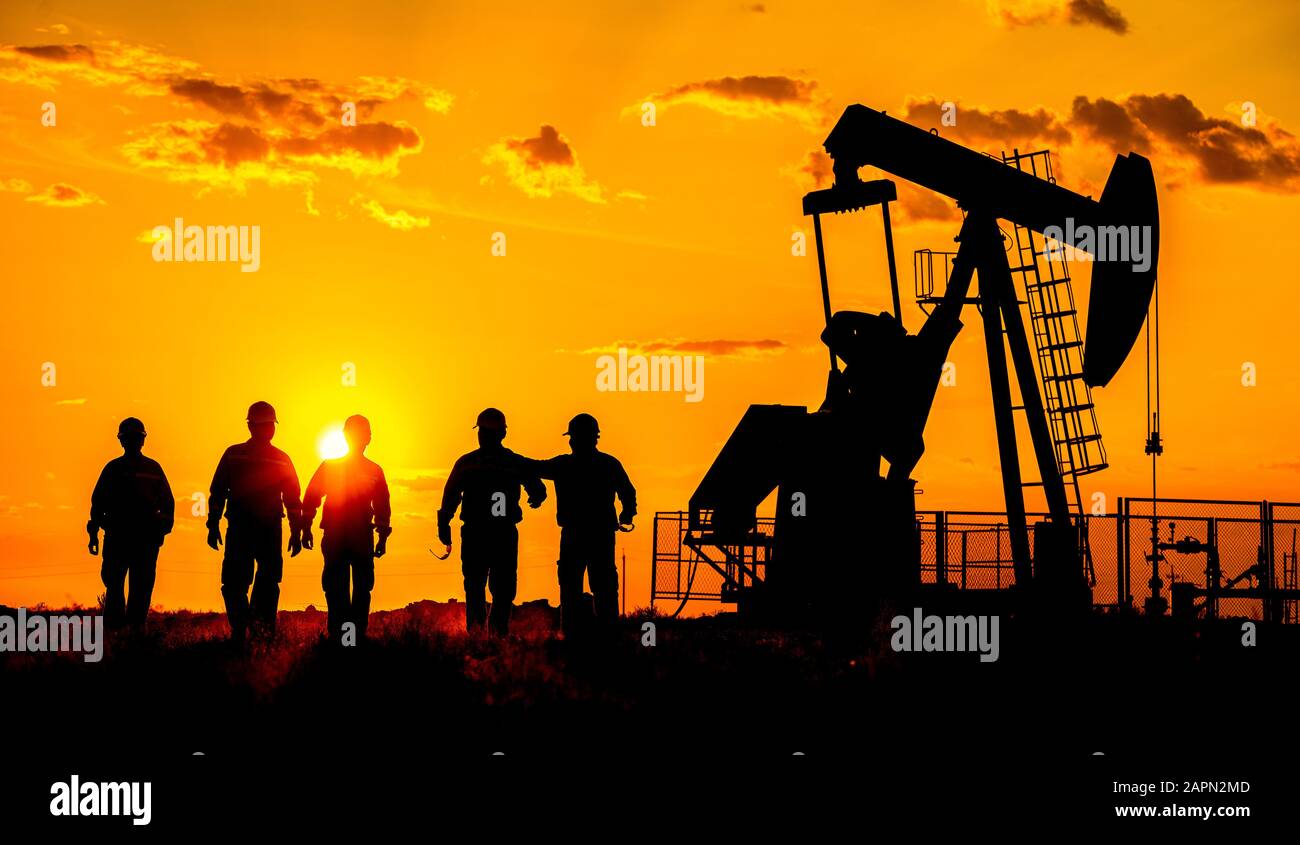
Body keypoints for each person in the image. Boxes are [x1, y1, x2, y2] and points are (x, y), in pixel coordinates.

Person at [437, 408, 546, 637]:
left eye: (484, 432)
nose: (482, 436)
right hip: (502, 533)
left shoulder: (468, 463)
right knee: (500, 588)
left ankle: (479, 635)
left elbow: (450, 497)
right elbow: (538, 489)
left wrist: (444, 526)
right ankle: (495, 635)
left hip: (477, 533)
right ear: (503, 434)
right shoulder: (513, 462)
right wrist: (535, 496)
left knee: (477, 586)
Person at [530, 414, 635, 638]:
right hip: (601, 535)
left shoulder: (563, 465)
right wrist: (627, 513)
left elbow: (533, 467)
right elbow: (628, 492)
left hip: (574, 535)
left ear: (573, 439)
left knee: (571, 588)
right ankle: (608, 636)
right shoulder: (608, 464)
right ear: (595, 437)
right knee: (604, 587)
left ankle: (571, 635)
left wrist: (509, 460)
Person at [207, 401, 303, 645]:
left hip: (245, 528)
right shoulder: (280, 459)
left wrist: (214, 524)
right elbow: (292, 500)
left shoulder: (234, 454)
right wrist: (295, 531)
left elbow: (218, 492)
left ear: (250, 426)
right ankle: (256, 633)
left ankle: (245, 631)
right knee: (264, 581)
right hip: (265, 530)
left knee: (238, 582)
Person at [301, 415, 391, 644]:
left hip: (353, 535)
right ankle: (346, 637)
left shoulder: (364, 470)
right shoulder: (339, 467)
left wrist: (382, 536)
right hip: (342, 534)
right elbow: (311, 497)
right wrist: (306, 526)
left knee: (352, 587)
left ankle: (349, 637)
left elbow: (382, 505)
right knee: (340, 587)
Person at [87, 418, 174, 630]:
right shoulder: (118, 469)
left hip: (136, 540)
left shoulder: (127, 469)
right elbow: (97, 504)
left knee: (136, 588)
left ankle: (129, 636)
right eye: (130, 438)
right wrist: (94, 533)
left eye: (135, 438)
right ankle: (122, 636)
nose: (133, 442)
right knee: (119, 586)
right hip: (124, 539)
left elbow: (167, 505)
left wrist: (159, 531)